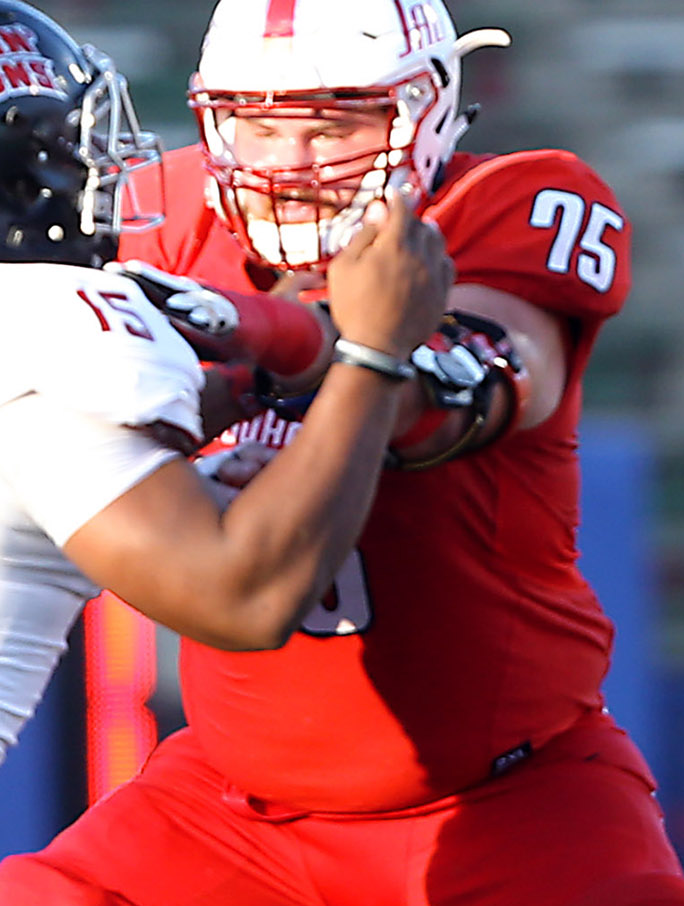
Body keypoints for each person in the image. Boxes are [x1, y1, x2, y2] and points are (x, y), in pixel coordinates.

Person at [0, 2, 684, 906]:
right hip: (231, 802)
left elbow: (467, 379)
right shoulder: (162, 211)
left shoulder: (512, 201)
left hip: (512, 796)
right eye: (256, 124)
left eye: (338, 122)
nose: (293, 160)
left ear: (429, 109)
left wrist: (250, 329)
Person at [0, 0, 452, 766]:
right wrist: (373, 354)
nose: (96, 171)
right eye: (65, 149)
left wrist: (246, 390)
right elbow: (244, 596)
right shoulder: (47, 325)